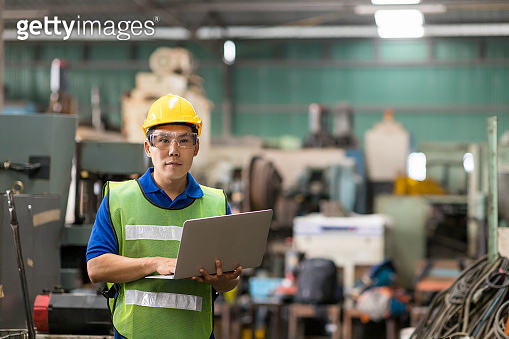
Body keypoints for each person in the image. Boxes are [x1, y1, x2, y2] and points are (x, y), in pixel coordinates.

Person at [86, 93, 242, 338]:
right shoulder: (119, 199)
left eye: (184, 140)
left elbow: (230, 283)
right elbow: (96, 267)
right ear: (148, 147)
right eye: (163, 140)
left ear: (196, 147)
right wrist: (153, 263)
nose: (173, 150)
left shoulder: (216, 204)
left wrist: (222, 279)